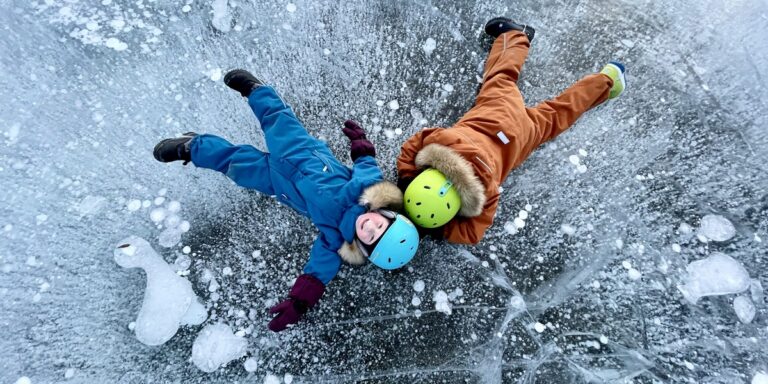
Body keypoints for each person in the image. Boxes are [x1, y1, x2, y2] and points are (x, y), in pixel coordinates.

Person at [152, 70, 420, 331]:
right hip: (302, 152)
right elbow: (366, 162)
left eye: (372, 238)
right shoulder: (368, 188)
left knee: (234, 164)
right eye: (380, 226)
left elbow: (318, 272)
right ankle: (256, 90)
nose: (370, 229)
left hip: (280, 185)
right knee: (276, 118)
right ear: (386, 215)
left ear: (364, 246)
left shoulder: (337, 239)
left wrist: (298, 303)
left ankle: (193, 146)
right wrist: (360, 141)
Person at [397, 17, 627, 244]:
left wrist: (442, 229)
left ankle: (608, 81)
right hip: (498, 114)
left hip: (520, 143)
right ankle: (515, 35)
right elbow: (416, 142)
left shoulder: (487, 191)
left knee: (559, 114)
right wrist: (406, 178)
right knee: (500, 76)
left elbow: (473, 233)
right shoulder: (448, 141)